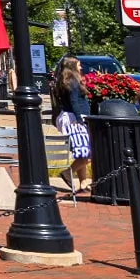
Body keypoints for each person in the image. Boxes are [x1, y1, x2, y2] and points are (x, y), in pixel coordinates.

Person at [50, 55, 92, 197]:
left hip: (71, 118)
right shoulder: (73, 82)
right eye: (79, 65)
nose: (81, 67)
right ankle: (68, 171)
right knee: (87, 153)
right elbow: (74, 102)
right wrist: (81, 120)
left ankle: (83, 183)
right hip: (75, 119)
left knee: (81, 151)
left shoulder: (66, 80)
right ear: (73, 66)